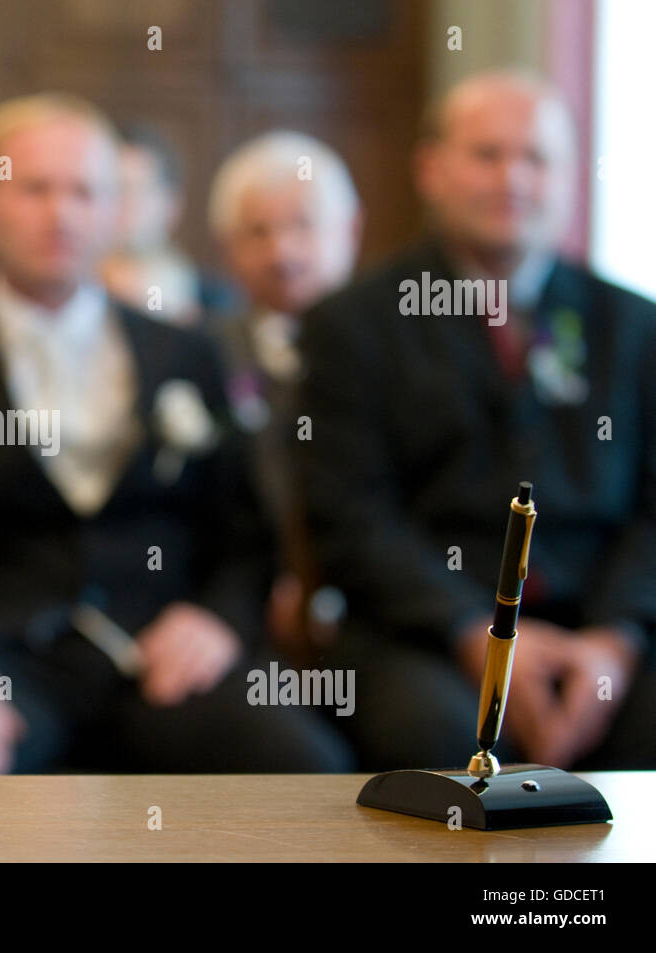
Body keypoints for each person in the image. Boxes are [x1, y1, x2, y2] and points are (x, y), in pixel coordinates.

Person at [0, 93, 353, 774]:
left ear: (117, 212)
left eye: (86, 192)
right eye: (34, 189)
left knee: (305, 764)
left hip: (161, 660)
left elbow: (245, 534)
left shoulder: (186, 353)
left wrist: (216, 618)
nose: (62, 214)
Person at [298, 69, 656, 772]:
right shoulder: (354, 324)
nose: (512, 178)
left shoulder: (633, 325)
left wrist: (616, 637)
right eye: (487, 154)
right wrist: (473, 631)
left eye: (536, 159)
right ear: (431, 168)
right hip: (428, 629)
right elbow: (348, 511)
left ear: (568, 178)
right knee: (439, 738)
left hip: (601, 621)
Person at [206, 131, 362, 654]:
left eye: (303, 225)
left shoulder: (395, 349)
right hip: (241, 613)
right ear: (227, 250)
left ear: (350, 229)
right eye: (258, 232)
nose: (283, 252)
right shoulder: (204, 355)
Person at [100, 124, 234, 326]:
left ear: (172, 205)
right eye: (110, 189)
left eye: (137, 190)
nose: (122, 204)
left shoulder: (215, 305)